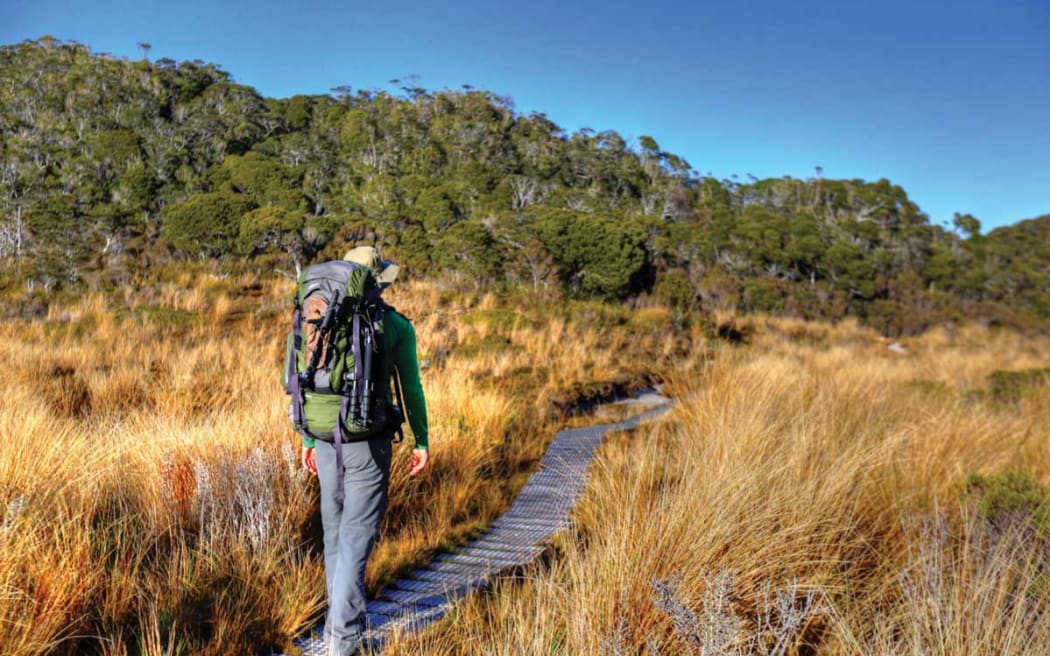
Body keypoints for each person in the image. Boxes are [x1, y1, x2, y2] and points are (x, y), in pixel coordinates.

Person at [298, 246, 430, 656]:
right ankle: (344, 641)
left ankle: (334, 630)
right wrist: (421, 439)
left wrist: (306, 440)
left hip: (322, 438)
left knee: (335, 536)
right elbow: (410, 388)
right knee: (357, 538)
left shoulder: (316, 316)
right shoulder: (394, 326)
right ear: (378, 282)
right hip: (367, 445)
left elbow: (304, 378)